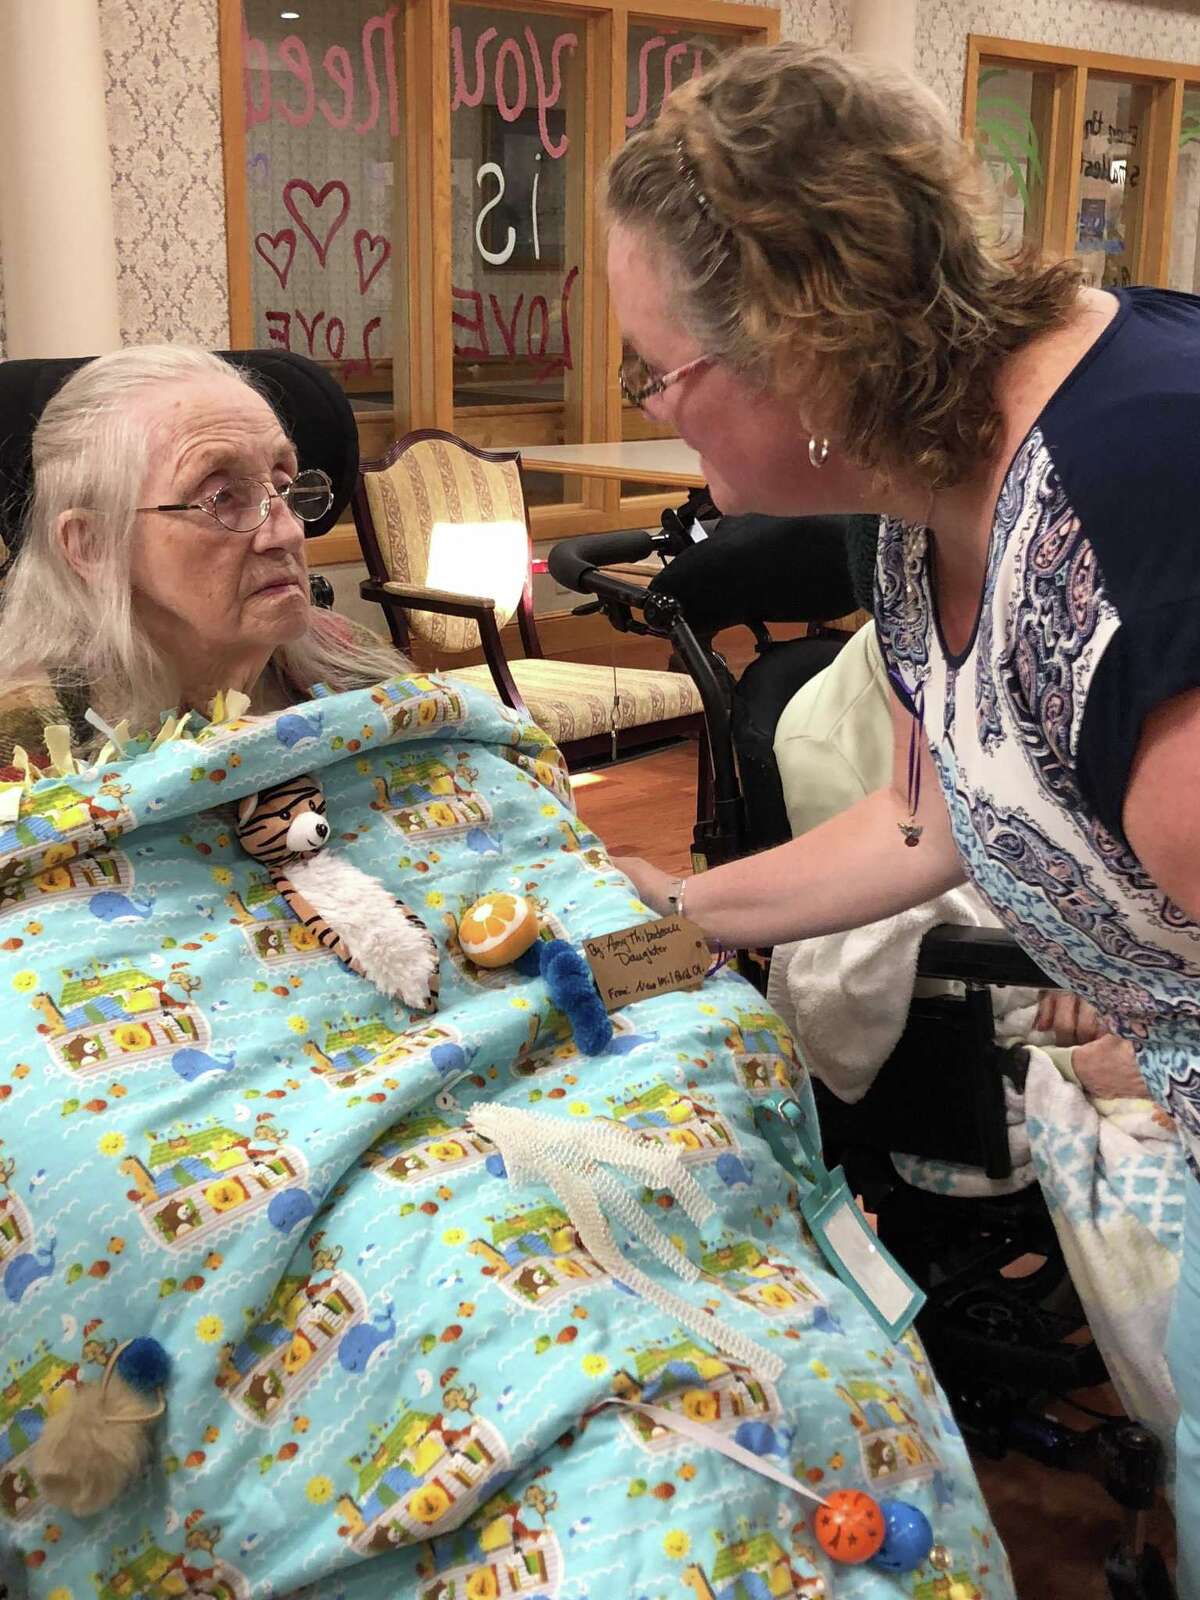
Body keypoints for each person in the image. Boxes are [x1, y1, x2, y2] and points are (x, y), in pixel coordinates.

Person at [604, 41, 1200, 1586]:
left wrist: (1152, 1034)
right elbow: (927, 824)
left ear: (796, 346)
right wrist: (656, 926)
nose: (654, 411)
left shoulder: (1138, 498)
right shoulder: (921, 490)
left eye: (657, 371)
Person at [0, 345, 402, 763]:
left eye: (285, 483)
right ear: (94, 546)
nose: (286, 533)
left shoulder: (356, 664)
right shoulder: (26, 742)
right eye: (222, 497)